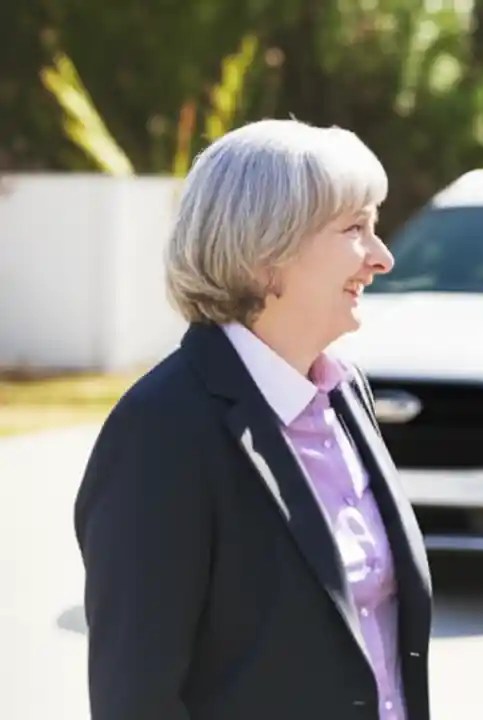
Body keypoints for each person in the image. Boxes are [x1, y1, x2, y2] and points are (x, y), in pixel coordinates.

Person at [73, 119, 434, 720]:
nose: (383, 257)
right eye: (355, 229)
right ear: (268, 254)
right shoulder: (161, 430)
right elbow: (135, 697)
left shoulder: (346, 393)